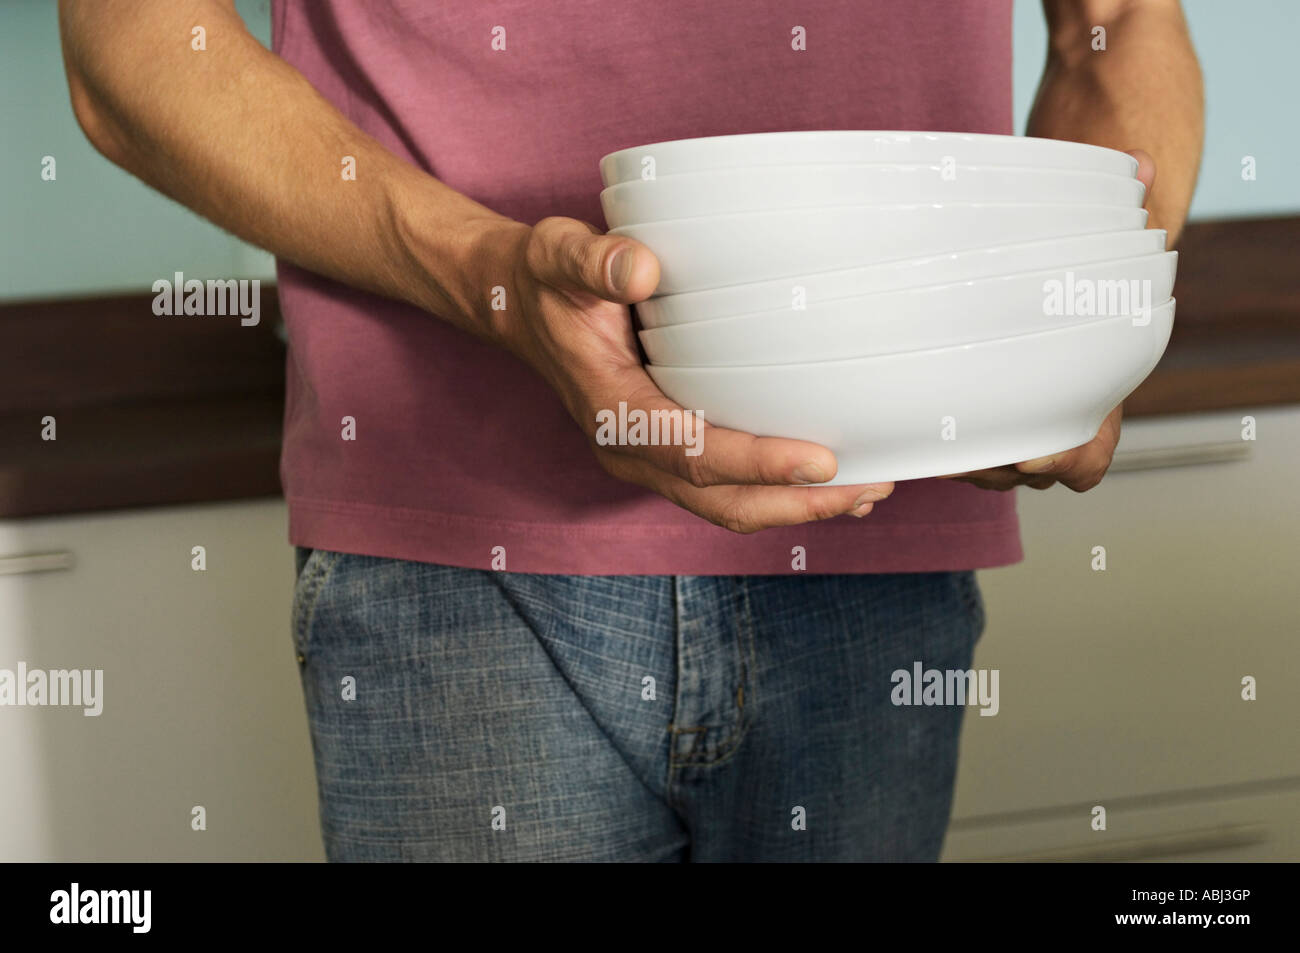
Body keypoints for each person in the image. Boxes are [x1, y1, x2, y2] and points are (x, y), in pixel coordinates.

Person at [59, 0, 1202, 861]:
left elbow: (1118, 26)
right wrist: (491, 275)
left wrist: (1089, 317)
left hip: (888, 536)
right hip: (458, 552)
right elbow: (133, 44)